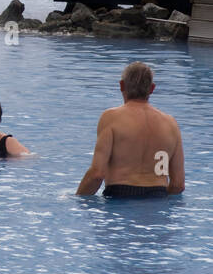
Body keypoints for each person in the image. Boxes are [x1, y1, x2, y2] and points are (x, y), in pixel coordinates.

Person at [76, 62, 184, 198]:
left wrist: (77, 199)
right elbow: (178, 185)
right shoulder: (171, 124)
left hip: (119, 196)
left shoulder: (111, 118)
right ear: (152, 88)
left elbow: (97, 175)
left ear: (122, 85)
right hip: (158, 199)